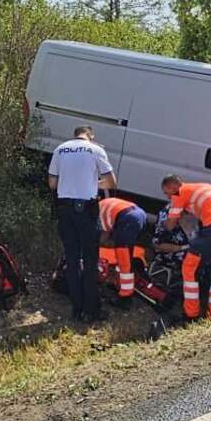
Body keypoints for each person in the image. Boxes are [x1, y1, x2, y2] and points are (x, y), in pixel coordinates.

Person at [48, 126, 116, 323]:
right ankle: (92, 310)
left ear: (74, 135)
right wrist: (94, 183)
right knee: (89, 259)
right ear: (91, 135)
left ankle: (76, 309)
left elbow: (52, 183)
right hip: (86, 211)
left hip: (65, 211)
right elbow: (111, 182)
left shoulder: (60, 149)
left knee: (71, 258)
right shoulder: (96, 150)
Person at [160, 174, 211, 321]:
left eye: (166, 193)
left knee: (189, 267)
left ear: (172, 187)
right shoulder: (201, 186)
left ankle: (191, 314)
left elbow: (170, 225)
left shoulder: (179, 192)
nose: (167, 197)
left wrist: (164, 224)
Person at [98, 196, 149, 307]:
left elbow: (104, 236)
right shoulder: (105, 203)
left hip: (128, 220)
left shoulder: (98, 212)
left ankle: (125, 298)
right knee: (124, 256)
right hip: (140, 214)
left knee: (124, 260)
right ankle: (119, 285)